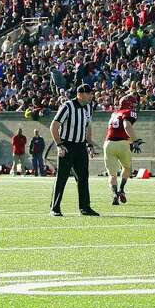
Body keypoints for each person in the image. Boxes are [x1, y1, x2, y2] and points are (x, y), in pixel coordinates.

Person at [49, 84, 97, 217]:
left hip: (81, 146)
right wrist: (59, 145)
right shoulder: (67, 106)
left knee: (83, 177)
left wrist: (90, 144)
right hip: (67, 146)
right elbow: (54, 126)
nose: (91, 96)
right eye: (88, 93)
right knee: (62, 177)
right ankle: (55, 208)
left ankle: (85, 207)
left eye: (91, 93)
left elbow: (88, 127)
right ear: (80, 94)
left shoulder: (88, 107)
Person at [104, 95, 138, 205]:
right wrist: (135, 141)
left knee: (112, 174)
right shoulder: (128, 112)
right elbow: (126, 126)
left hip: (108, 144)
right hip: (122, 143)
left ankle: (114, 193)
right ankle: (121, 190)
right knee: (126, 167)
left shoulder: (114, 113)